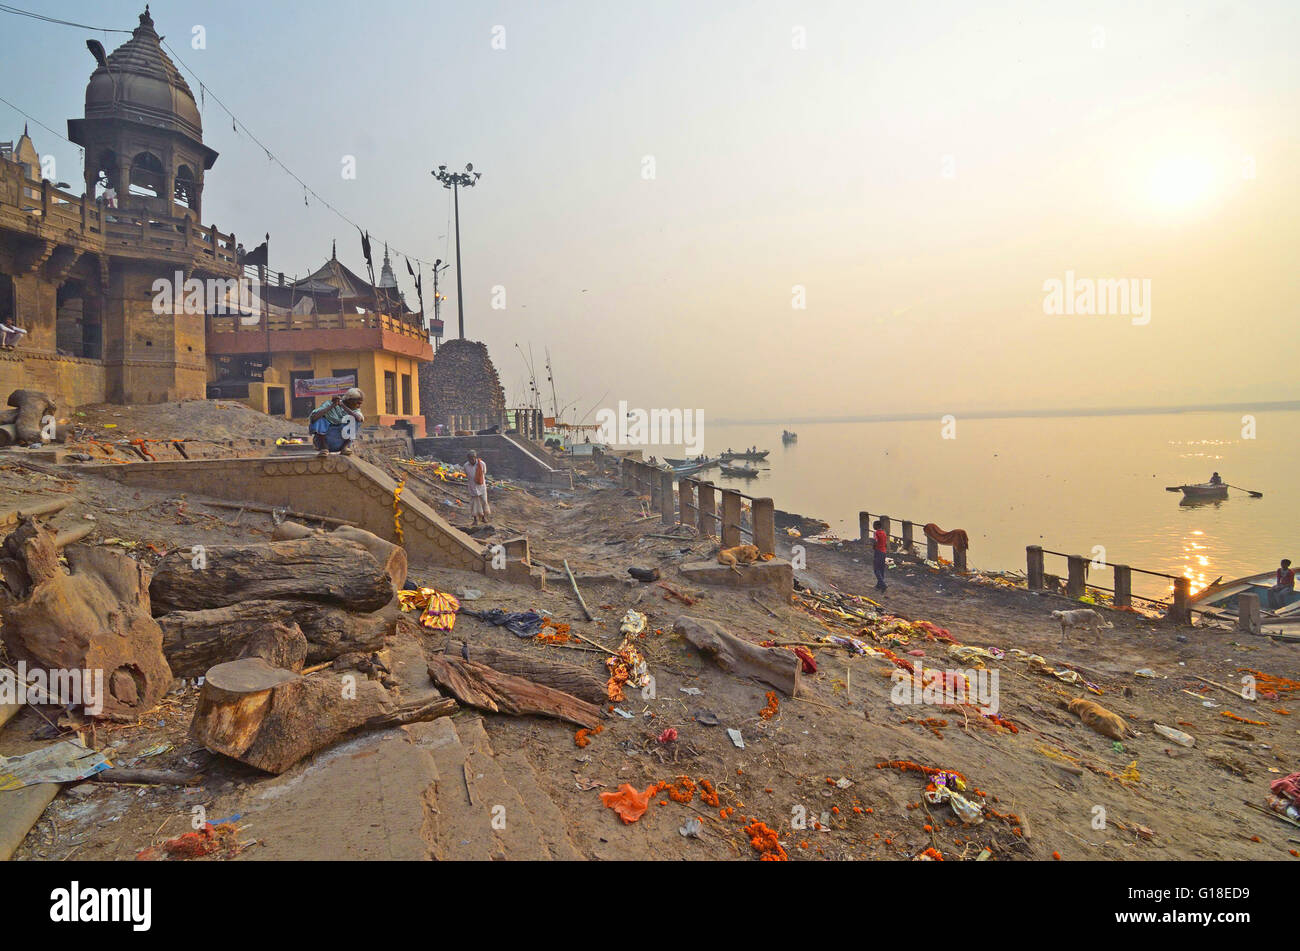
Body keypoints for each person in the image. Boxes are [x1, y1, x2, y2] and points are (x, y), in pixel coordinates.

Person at [309, 387, 364, 457]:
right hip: (326, 441)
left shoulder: (355, 410)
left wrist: (342, 406)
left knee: (355, 420)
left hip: (340, 442)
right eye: (358, 403)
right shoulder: (329, 404)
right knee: (320, 419)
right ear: (349, 400)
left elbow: (359, 419)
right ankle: (324, 448)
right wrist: (332, 405)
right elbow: (314, 418)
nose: (359, 406)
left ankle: (344, 448)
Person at [463, 449, 491, 526]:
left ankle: (484, 517)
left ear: (475, 457)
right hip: (472, 487)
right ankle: (475, 520)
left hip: (481, 487)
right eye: (470, 458)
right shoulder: (466, 466)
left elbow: (484, 473)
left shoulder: (482, 464)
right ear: (468, 459)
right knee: (474, 504)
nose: (471, 460)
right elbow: (467, 475)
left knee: (484, 502)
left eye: (473, 458)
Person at [872, 519, 889, 592]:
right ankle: (878, 585)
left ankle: (883, 584)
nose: (873, 526)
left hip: (878, 551)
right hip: (883, 552)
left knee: (876, 569)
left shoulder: (876, 533)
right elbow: (885, 543)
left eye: (874, 525)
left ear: (876, 526)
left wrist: (874, 546)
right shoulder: (884, 533)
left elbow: (875, 541)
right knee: (881, 569)